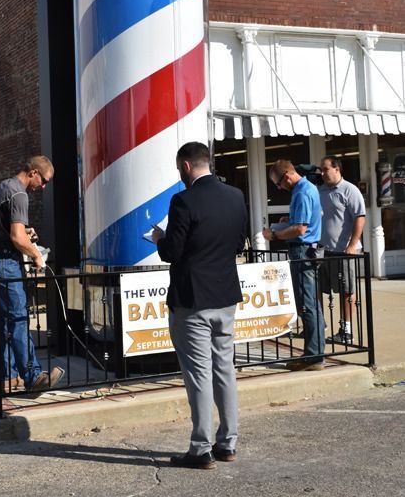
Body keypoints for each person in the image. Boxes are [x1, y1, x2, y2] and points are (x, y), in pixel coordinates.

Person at [152, 142, 247, 470]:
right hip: (225, 296)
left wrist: (160, 239)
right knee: (224, 369)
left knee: (198, 373)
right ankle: (228, 442)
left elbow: (173, 252)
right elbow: (238, 243)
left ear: (187, 166)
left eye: (180, 168)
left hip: (192, 299)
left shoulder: (183, 200)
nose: (180, 174)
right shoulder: (236, 196)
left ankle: (200, 448)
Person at [0, 155, 64, 393]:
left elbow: (9, 230)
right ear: (33, 173)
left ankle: (9, 377)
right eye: (44, 180)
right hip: (5, 260)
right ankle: (33, 376)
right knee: (18, 319)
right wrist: (36, 254)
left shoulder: (4, 186)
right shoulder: (19, 194)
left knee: (6, 321)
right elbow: (17, 238)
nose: (44, 186)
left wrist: (26, 234)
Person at [262, 159, 325, 371]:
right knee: (308, 302)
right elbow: (303, 221)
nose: (279, 188)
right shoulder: (306, 188)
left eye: (278, 183)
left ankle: (313, 356)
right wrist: (288, 219)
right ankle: (315, 353)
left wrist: (275, 235)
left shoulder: (302, 192)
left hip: (303, 251)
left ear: (287, 176)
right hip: (306, 250)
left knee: (306, 303)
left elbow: (300, 229)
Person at [319, 156, 366, 345]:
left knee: (346, 291)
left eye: (325, 169)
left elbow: (359, 217)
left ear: (337, 169)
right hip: (323, 252)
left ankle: (346, 330)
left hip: (343, 252)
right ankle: (318, 325)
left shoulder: (350, 190)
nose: (322, 174)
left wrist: (352, 245)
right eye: (321, 170)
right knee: (318, 290)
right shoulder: (320, 191)